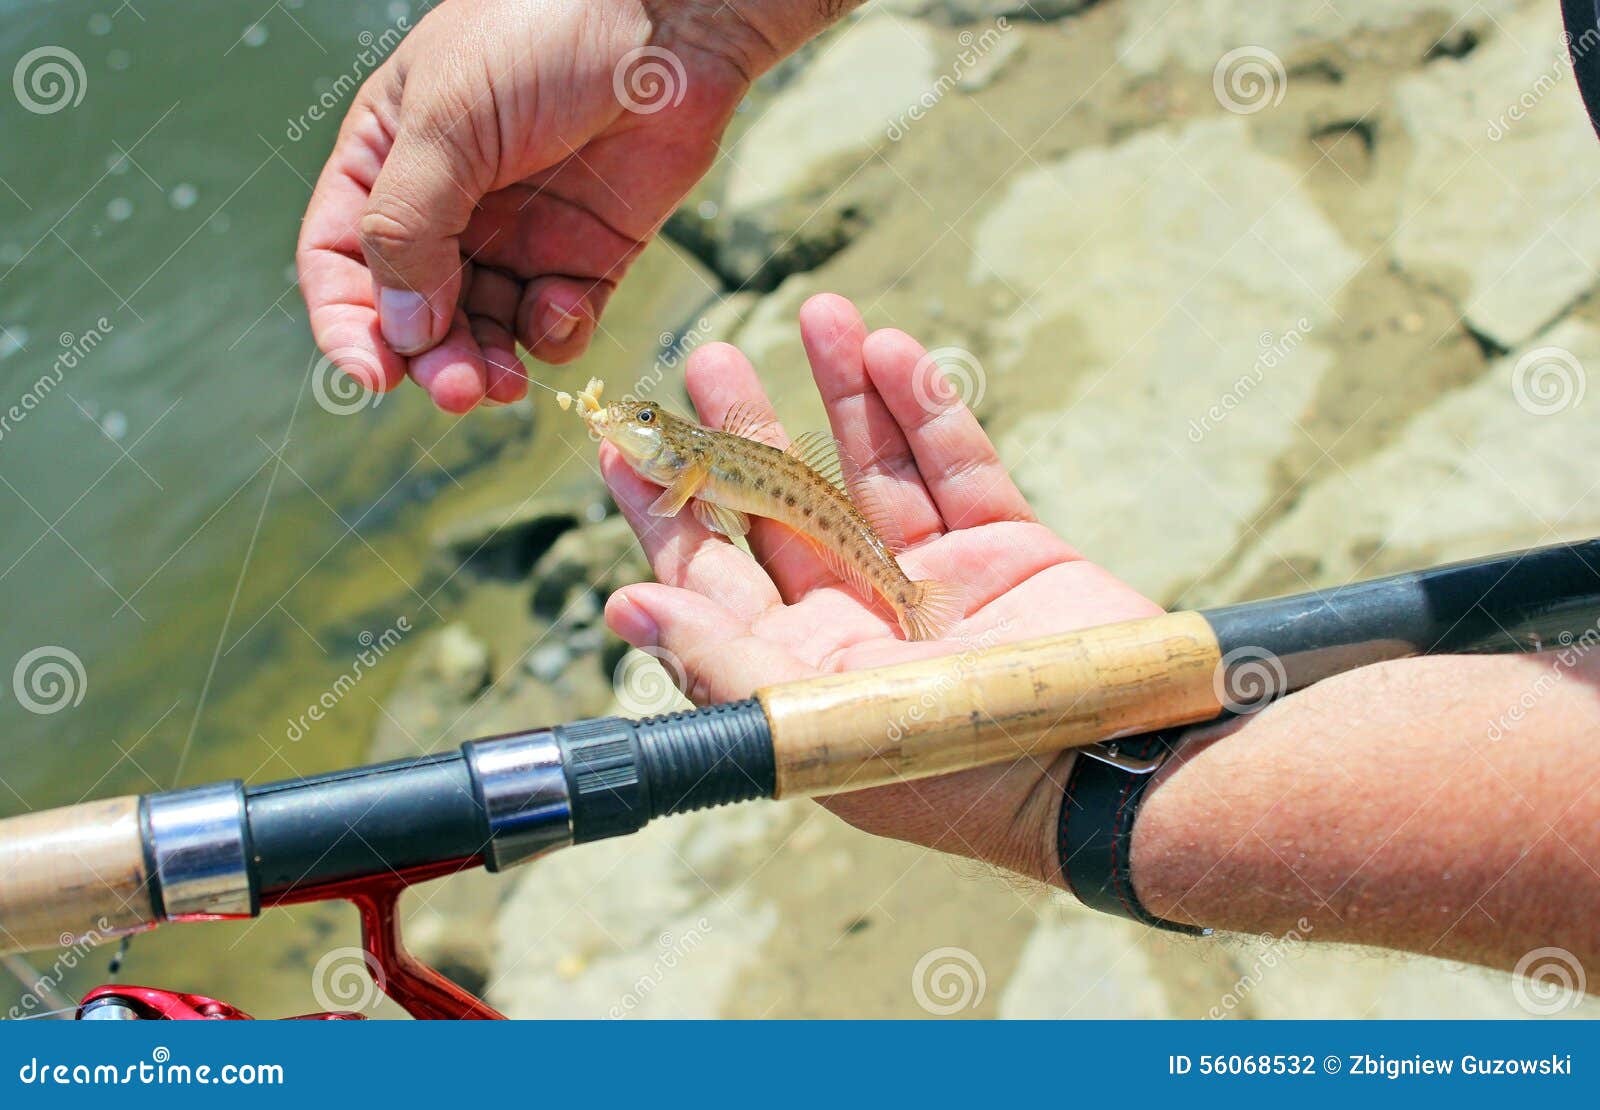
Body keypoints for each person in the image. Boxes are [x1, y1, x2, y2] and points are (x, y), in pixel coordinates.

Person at [297, 0, 1599, 983]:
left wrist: (1089, 809)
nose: (636, 439)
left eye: (648, 434)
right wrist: (685, 23)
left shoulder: (690, 458)